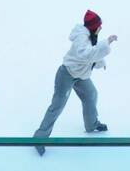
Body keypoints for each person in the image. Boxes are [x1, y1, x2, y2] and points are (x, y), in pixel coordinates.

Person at [33, 11, 115, 153]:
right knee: (57, 106)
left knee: (91, 95)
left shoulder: (91, 36)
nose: (100, 28)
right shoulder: (81, 39)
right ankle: (39, 138)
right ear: (93, 27)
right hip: (66, 75)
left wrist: (101, 62)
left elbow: (93, 52)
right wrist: (106, 43)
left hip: (81, 76)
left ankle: (91, 124)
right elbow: (87, 54)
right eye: (99, 26)